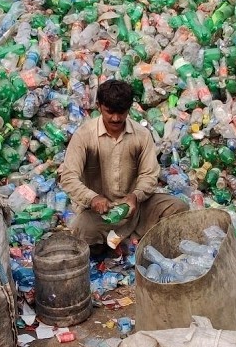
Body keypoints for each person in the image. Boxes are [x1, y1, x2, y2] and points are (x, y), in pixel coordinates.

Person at [58, 79, 189, 255]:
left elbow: (149, 175)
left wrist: (135, 196)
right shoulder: (84, 136)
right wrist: (93, 198)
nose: (116, 118)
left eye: (121, 112)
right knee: (82, 231)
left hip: (136, 208)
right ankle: (125, 241)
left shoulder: (141, 135)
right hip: (102, 214)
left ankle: (131, 240)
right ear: (99, 106)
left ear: (129, 108)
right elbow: (68, 177)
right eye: (109, 112)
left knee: (178, 207)